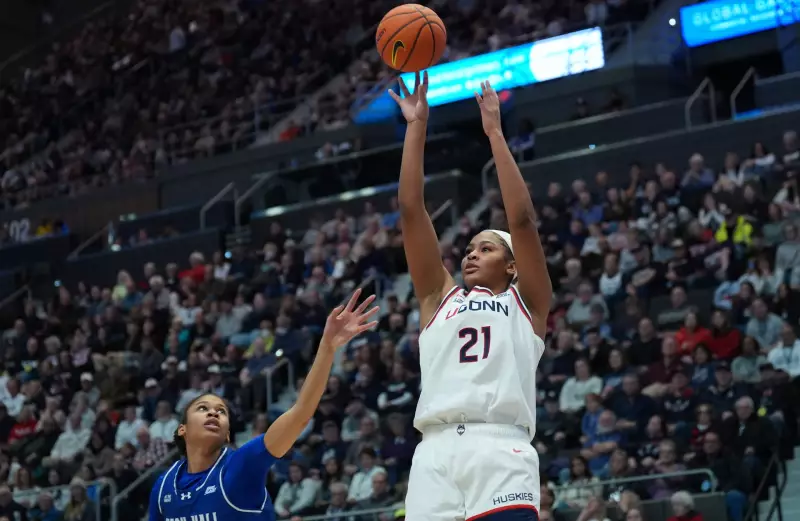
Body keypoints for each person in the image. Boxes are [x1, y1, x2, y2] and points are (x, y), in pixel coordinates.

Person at [390, 72, 550, 520]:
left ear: (512, 264)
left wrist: (495, 133)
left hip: (499, 448)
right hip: (434, 456)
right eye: (468, 249)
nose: (471, 255)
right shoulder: (438, 297)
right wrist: (416, 127)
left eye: (486, 248)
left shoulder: (528, 304)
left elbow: (521, 220)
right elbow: (410, 208)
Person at [147, 290, 379, 521]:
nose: (213, 413)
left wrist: (327, 348)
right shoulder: (163, 487)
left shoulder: (241, 465)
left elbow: (300, 415)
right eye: (202, 409)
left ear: (227, 435)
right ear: (182, 429)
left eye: (221, 412)